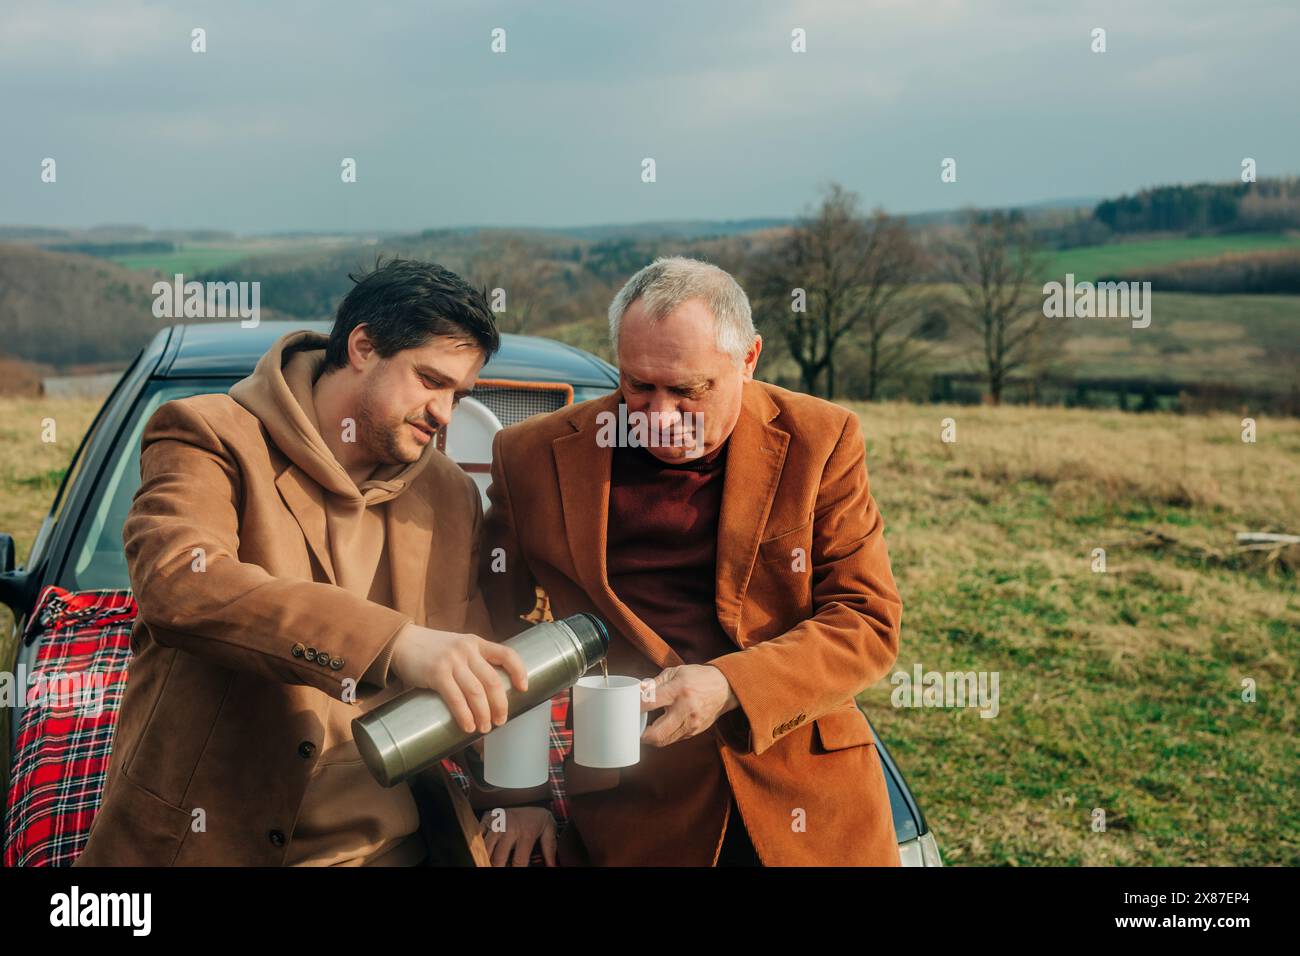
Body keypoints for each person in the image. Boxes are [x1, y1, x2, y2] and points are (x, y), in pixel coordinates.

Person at [74, 258, 527, 866]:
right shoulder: (207, 434)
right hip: (203, 846)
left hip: (392, 851)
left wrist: (521, 797)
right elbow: (178, 581)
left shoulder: (450, 494)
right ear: (363, 346)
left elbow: (475, 669)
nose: (445, 413)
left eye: (458, 394)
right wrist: (395, 644)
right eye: (429, 380)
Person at [478, 256, 903, 866]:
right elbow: (498, 633)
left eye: (688, 391)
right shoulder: (530, 457)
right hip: (633, 809)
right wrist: (519, 794)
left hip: (810, 801)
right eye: (637, 386)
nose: (659, 419)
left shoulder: (823, 440)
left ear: (749, 359)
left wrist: (731, 685)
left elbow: (867, 622)